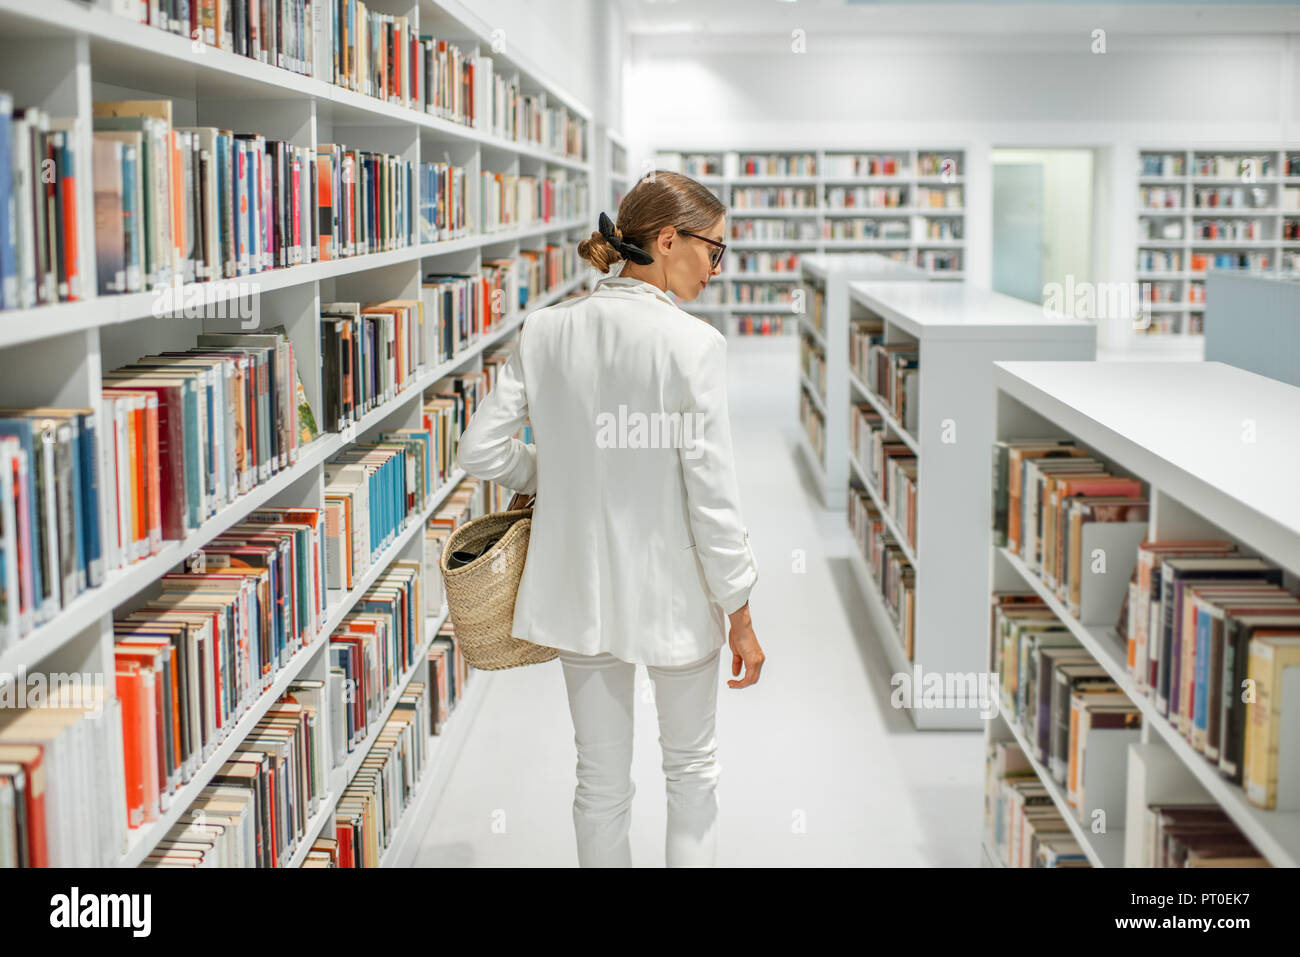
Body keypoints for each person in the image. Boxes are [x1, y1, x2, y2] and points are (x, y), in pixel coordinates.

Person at [455, 170, 762, 867]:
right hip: (676, 597)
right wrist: (740, 610)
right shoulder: (694, 347)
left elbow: (479, 449)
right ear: (665, 239)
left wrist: (549, 477)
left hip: (578, 596)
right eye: (714, 250)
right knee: (691, 775)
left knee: (599, 785)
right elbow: (712, 500)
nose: (716, 269)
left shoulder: (547, 330)